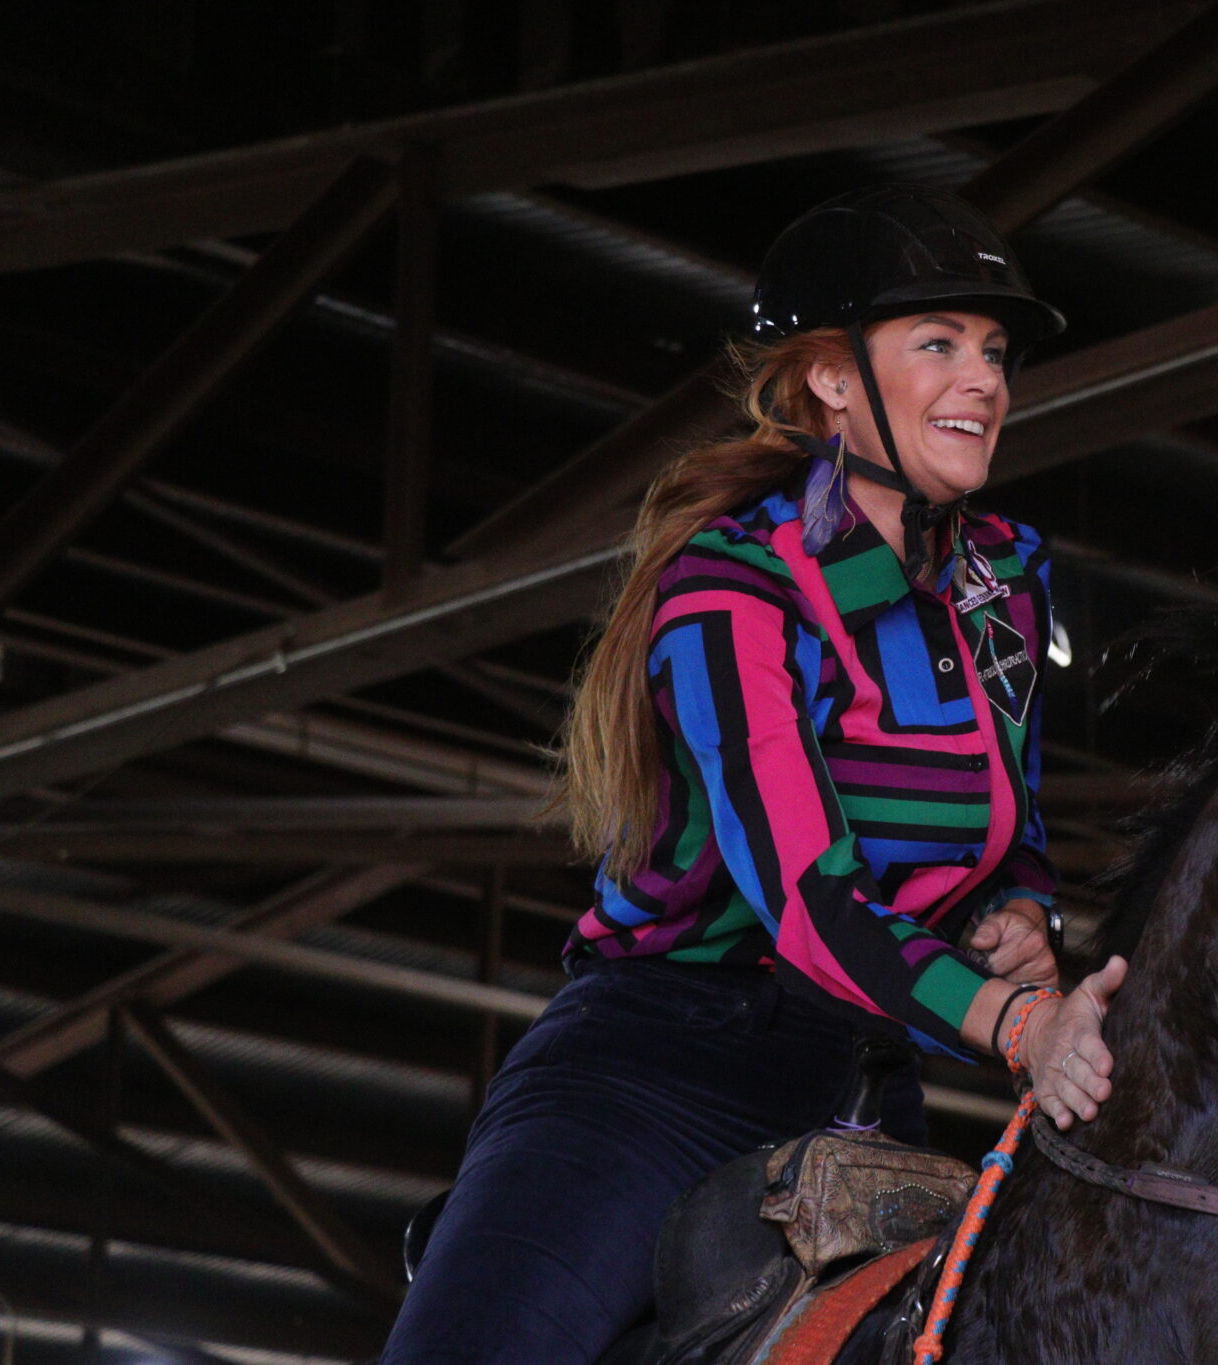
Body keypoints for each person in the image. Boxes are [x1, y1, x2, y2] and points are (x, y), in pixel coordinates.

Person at [379, 184, 1129, 1365]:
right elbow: (805, 900)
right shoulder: (731, 592)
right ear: (831, 380)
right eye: (937, 345)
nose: (983, 379)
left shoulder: (1003, 579)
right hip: (661, 1072)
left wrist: (1022, 908)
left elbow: (1006, 815)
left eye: (992, 351)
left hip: (867, 1087)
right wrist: (1015, 1020)